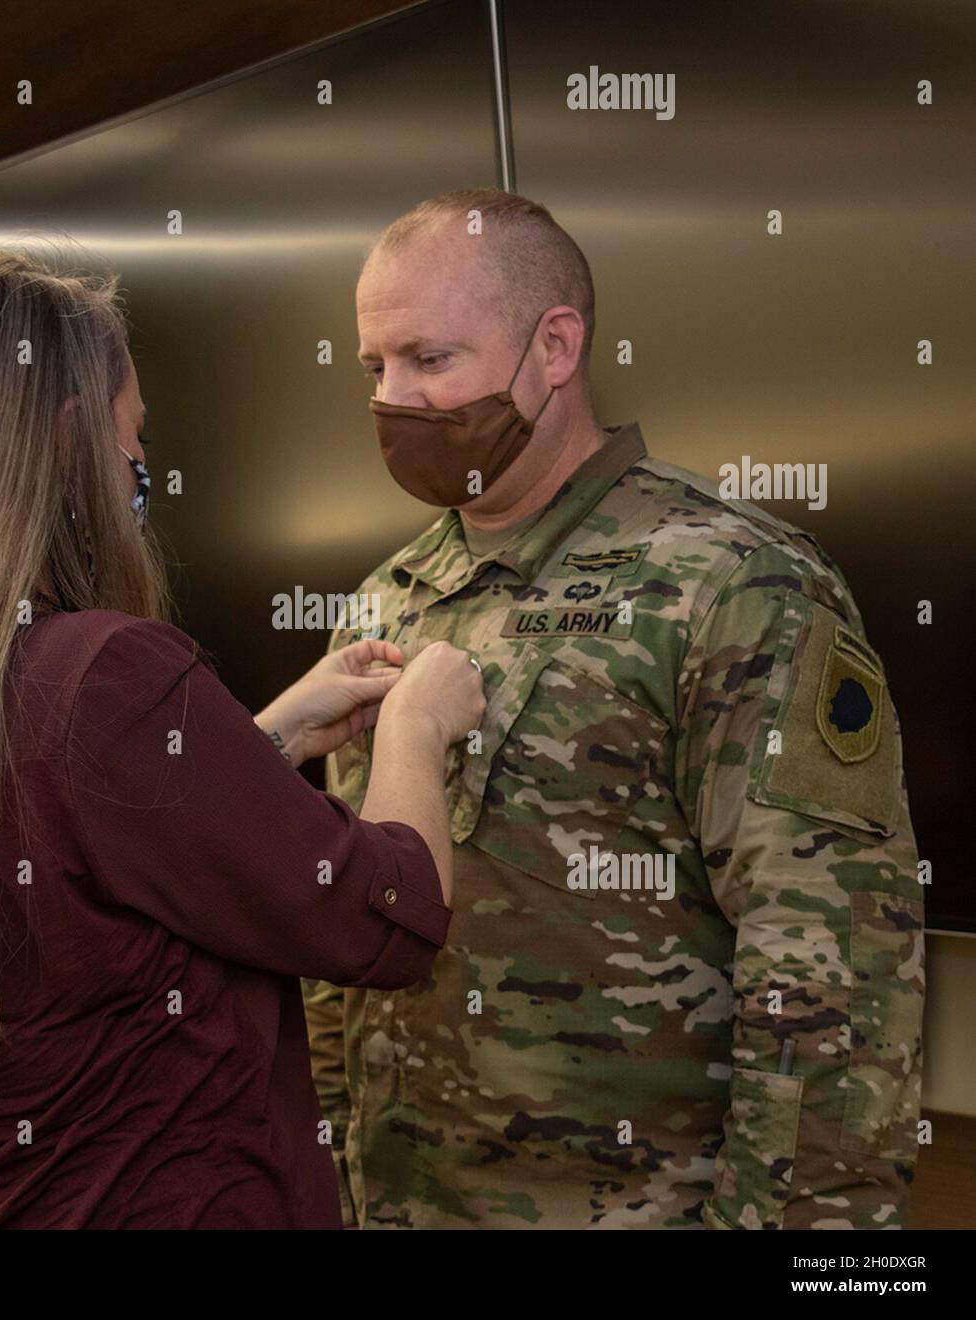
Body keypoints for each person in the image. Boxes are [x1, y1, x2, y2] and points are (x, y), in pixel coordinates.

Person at [0, 247, 485, 1228]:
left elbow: (61, 849)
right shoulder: (103, 673)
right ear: (64, 443)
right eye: (132, 453)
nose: (137, 486)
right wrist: (417, 731)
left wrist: (262, 739)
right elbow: (381, 919)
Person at [303, 188, 924, 1230]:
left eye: (430, 360)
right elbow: (337, 928)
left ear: (554, 347)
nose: (395, 400)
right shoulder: (383, 602)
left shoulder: (732, 583)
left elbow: (834, 970)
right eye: (376, 369)